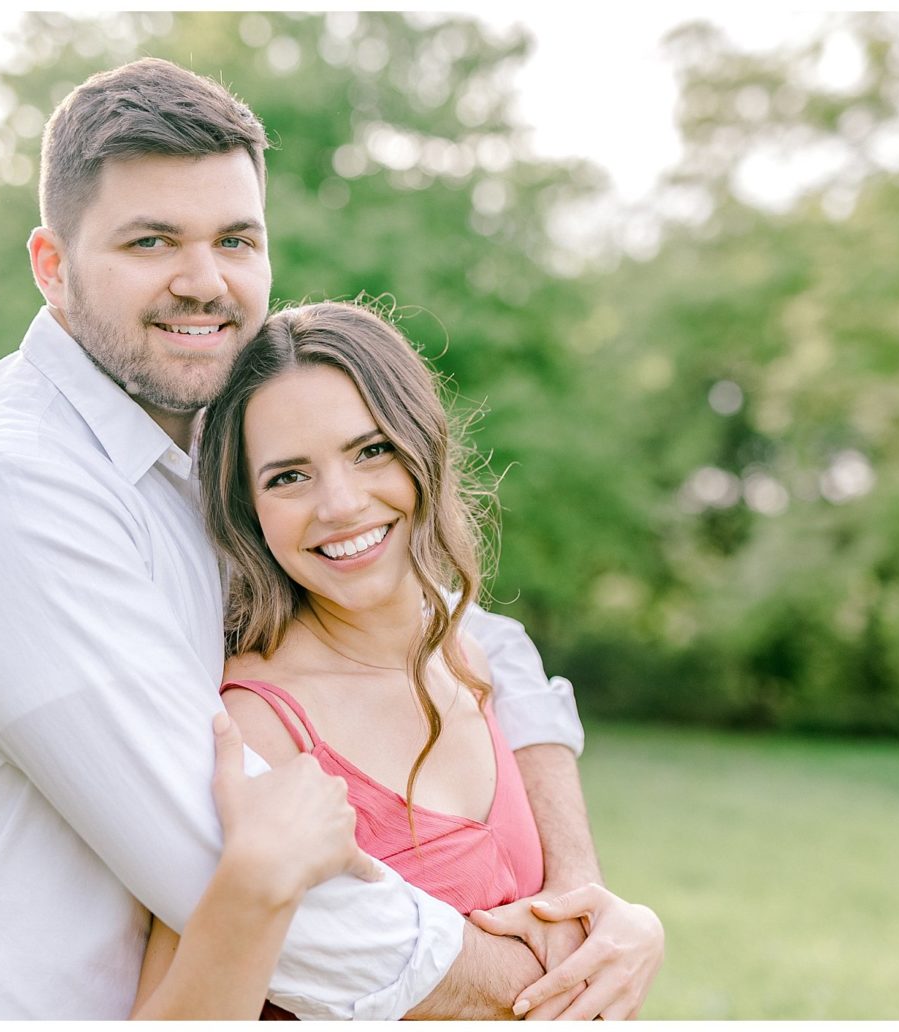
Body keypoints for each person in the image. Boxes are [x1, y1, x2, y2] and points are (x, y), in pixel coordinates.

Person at [0, 56, 660, 1020]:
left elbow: (475, 639)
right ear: (52, 267)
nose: (204, 280)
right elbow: (236, 868)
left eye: (235, 238)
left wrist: (587, 898)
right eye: (151, 241)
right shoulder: (3, 492)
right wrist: (554, 986)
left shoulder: (205, 464)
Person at [129, 300, 662, 1021]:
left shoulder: (476, 663)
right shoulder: (258, 729)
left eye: (371, 449)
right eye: (289, 477)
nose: (342, 504)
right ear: (247, 509)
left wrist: (631, 928)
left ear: (423, 447)